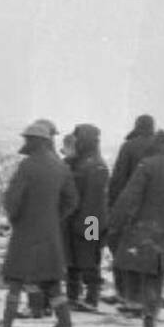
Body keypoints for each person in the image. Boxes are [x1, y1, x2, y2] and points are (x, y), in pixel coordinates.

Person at [107, 131, 164, 327]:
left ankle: (132, 303)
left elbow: (129, 196)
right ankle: (151, 312)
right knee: (156, 271)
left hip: (141, 226)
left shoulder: (146, 165)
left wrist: (114, 221)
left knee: (131, 262)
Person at [0, 120, 78, 327]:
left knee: (16, 278)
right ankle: (65, 323)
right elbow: (72, 200)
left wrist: (15, 218)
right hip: (52, 231)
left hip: (26, 229)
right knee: (51, 280)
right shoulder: (61, 166)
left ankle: (7, 322)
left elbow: (13, 199)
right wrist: (54, 217)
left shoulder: (27, 165)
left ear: (32, 142)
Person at [107, 114, 157, 307]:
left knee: (122, 251)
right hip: (154, 213)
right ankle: (145, 299)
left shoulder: (129, 146)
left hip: (128, 211)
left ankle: (125, 296)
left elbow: (118, 180)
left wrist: (113, 209)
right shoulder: (161, 150)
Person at [63, 123, 109, 312]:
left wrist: (85, 225)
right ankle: (74, 296)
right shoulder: (84, 162)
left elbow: (94, 201)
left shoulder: (95, 166)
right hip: (81, 219)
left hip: (91, 221)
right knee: (74, 259)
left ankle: (91, 298)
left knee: (89, 259)